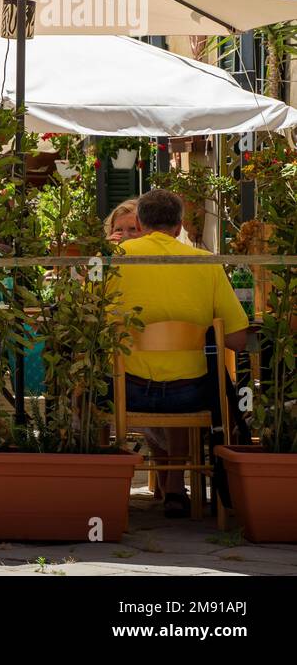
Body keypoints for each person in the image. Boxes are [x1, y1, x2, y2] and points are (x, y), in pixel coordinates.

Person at [107, 189, 249, 519]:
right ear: (179, 225)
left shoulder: (113, 259)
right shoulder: (206, 263)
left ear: (139, 223)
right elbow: (239, 340)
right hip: (190, 395)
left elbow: (89, 326)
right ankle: (177, 487)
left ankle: (104, 492)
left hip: (126, 392)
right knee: (197, 375)